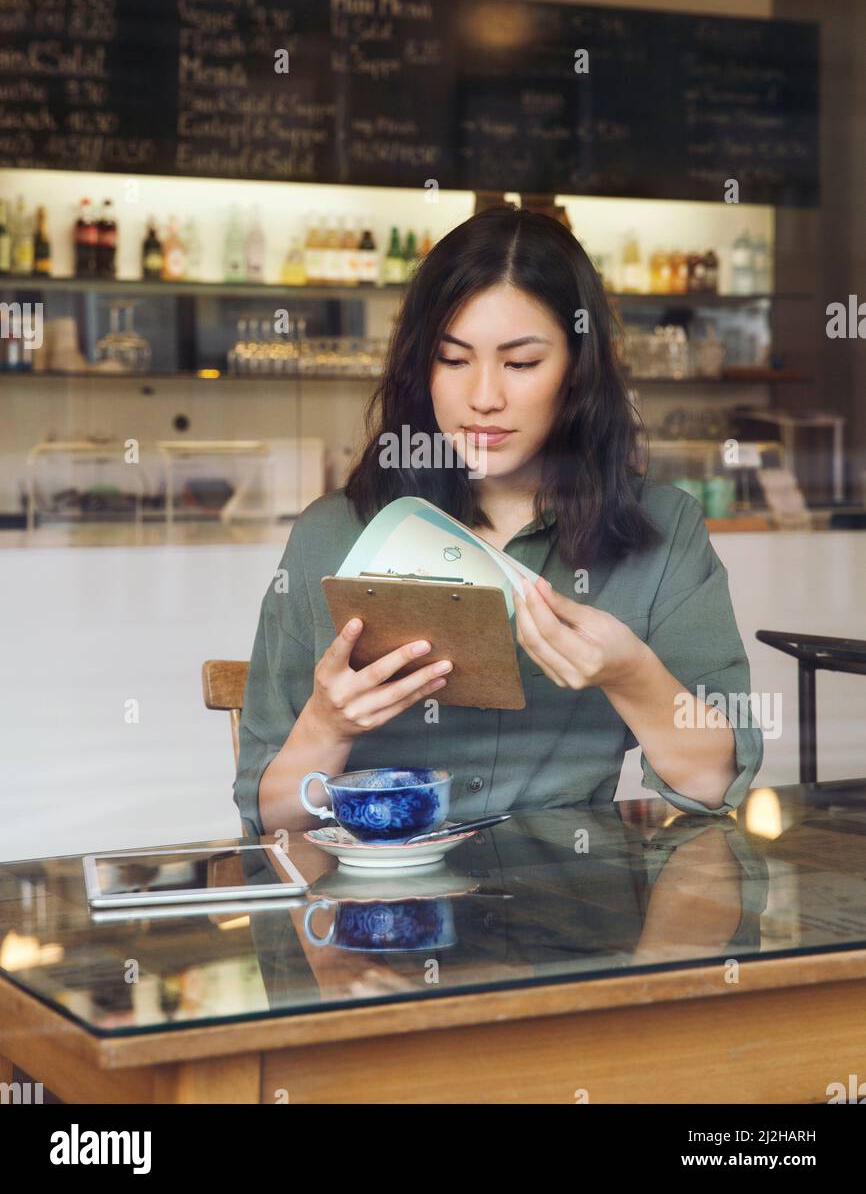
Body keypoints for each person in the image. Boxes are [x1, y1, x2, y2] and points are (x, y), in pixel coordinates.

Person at [233, 205, 763, 837]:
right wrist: (328, 723)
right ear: (418, 367)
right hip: (378, 910)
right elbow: (271, 817)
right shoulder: (333, 532)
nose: (485, 397)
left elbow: (710, 789)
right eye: (453, 360)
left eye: (521, 363)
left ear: (577, 369)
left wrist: (631, 673)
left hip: (573, 908)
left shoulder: (663, 530)